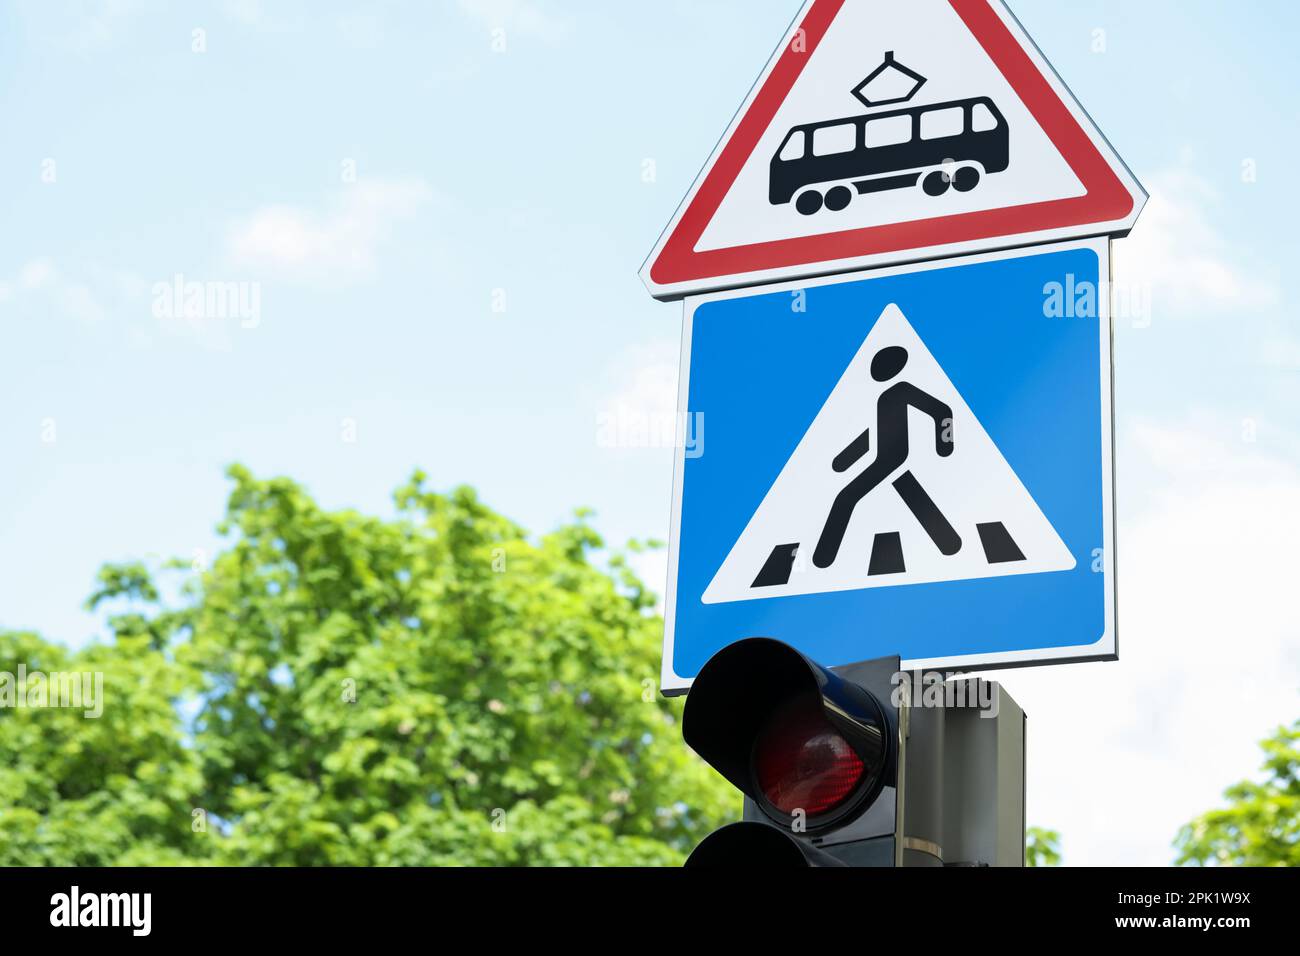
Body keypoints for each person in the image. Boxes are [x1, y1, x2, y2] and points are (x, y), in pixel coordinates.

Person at [812, 345, 961, 569]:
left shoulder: (902, 390)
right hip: (888, 458)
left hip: (893, 458)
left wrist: (944, 446)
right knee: (913, 495)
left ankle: (823, 558)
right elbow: (875, 433)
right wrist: (844, 460)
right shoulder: (885, 396)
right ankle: (949, 543)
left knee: (845, 498)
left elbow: (941, 411)